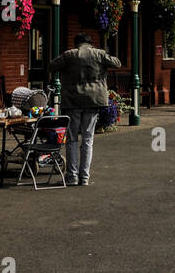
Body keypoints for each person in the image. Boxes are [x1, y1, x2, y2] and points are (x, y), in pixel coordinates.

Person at [48, 32, 121, 186]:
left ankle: (72, 177)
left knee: (72, 139)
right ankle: (84, 177)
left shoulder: (70, 55)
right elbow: (117, 63)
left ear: (77, 43)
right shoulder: (99, 54)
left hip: (73, 100)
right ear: (90, 43)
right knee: (88, 139)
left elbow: (52, 66)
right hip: (93, 100)